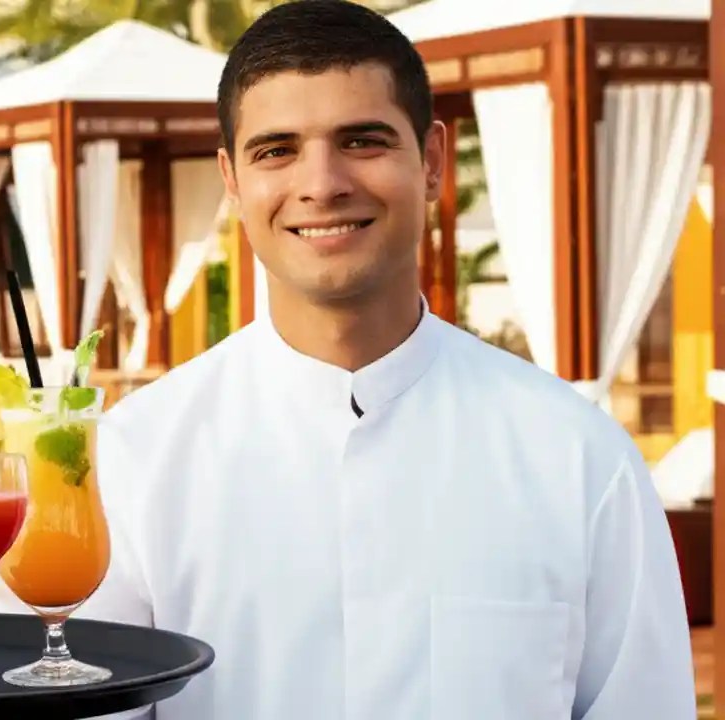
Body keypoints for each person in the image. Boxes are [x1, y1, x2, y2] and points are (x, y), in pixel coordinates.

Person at [76, 1, 697, 718]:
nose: (323, 183)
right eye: (276, 150)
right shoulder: (135, 460)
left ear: (431, 161)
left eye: (362, 140)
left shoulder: (579, 457)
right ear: (233, 179)